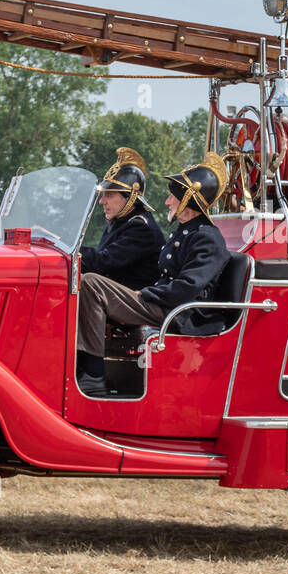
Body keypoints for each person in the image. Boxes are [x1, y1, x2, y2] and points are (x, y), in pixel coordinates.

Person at [75, 153, 230, 397]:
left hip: (179, 312)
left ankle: (93, 373)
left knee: (91, 284)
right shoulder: (185, 232)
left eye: (174, 197)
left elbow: (187, 288)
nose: (167, 201)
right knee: (85, 284)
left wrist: (146, 293)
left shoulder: (207, 238)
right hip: (164, 304)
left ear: (189, 201)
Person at [79, 147, 165, 290]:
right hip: (114, 299)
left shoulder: (140, 228)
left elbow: (102, 263)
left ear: (130, 197)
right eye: (103, 195)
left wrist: (71, 253)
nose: (102, 201)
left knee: (88, 281)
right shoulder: (121, 222)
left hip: (136, 304)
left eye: (109, 195)